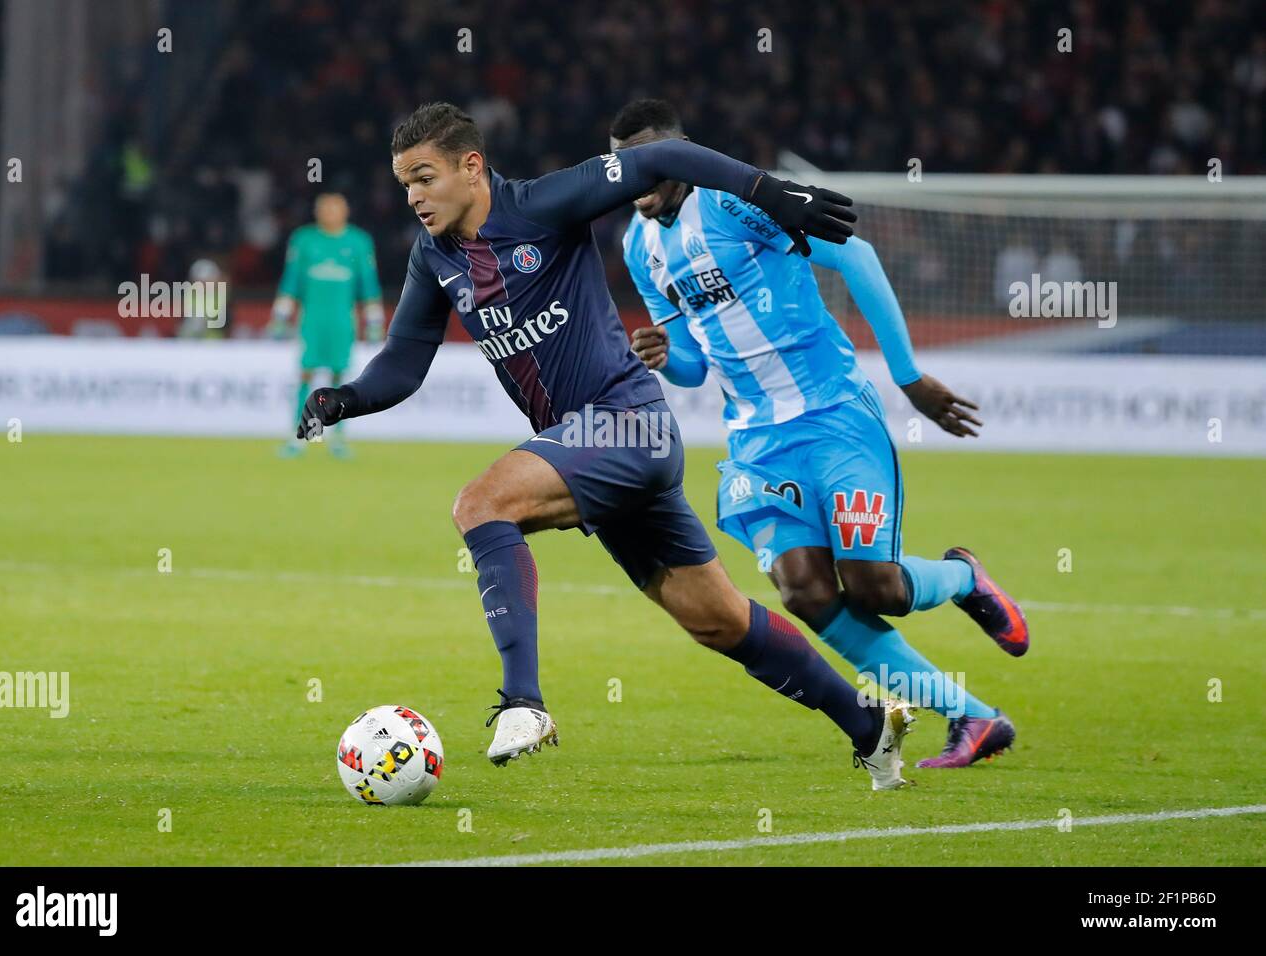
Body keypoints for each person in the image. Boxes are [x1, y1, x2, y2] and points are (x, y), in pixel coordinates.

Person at [296, 101, 913, 789]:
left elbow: (661, 159)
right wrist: (344, 398)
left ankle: (524, 703)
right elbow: (404, 363)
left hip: (625, 422)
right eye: (404, 183)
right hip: (588, 448)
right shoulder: (435, 258)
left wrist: (771, 193)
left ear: (471, 167)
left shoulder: (543, 204)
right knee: (717, 621)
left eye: (424, 177)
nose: (412, 197)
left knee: (480, 505)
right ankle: (870, 730)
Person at [613, 99, 1026, 768]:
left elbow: (855, 255)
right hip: (756, 440)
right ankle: (972, 717)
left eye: (650, 165)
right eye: (626, 170)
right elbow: (692, 363)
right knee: (805, 591)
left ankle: (963, 579)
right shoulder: (638, 247)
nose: (639, 182)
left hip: (833, 415)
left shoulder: (732, 202)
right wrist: (664, 354)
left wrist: (909, 376)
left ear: (681, 160)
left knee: (877, 587)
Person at [271, 193, 383, 459]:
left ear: (345, 212)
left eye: (336, 209)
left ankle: (338, 436)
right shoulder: (304, 240)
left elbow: (368, 284)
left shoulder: (358, 242)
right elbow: (291, 281)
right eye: (326, 209)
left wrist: (374, 322)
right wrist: (280, 316)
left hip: (342, 321)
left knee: (339, 378)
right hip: (312, 321)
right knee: (306, 373)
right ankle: (300, 435)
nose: (331, 213)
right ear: (317, 212)